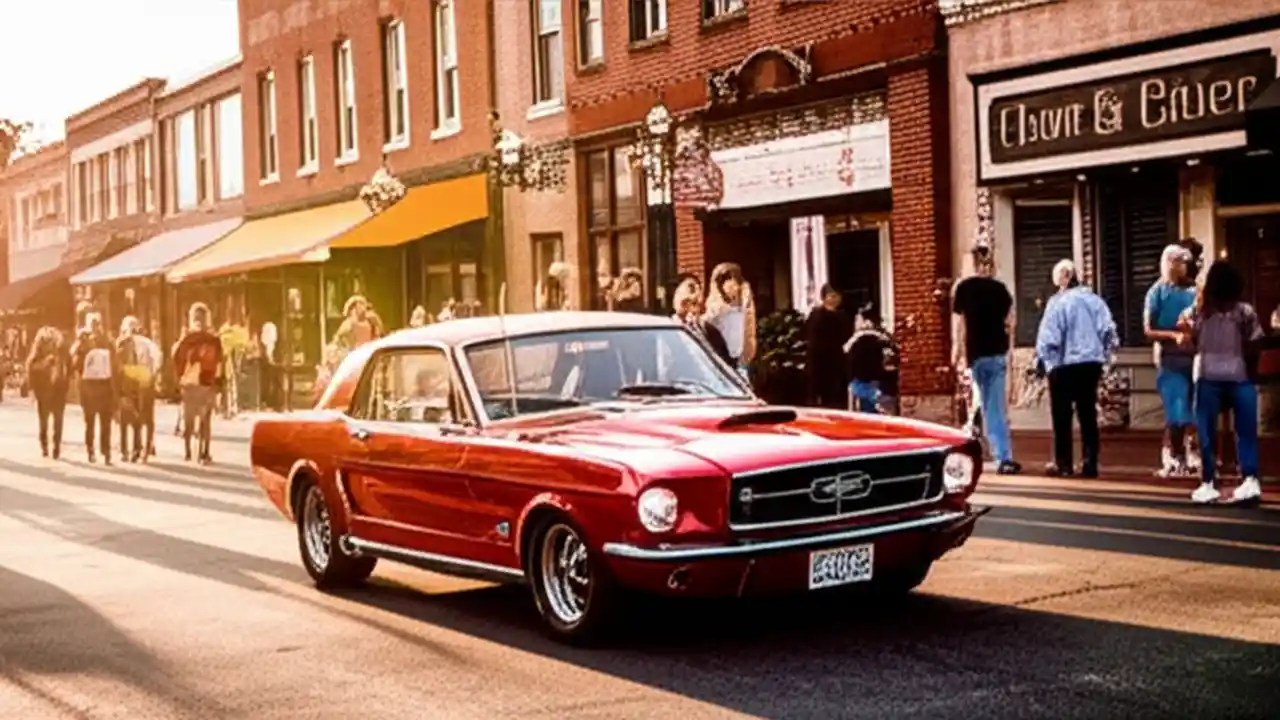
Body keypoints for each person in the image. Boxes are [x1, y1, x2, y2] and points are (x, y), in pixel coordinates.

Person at [1181, 261, 1264, 504]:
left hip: (1208, 377)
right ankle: (1249, 478)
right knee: (1246, 431)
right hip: (1240, 377)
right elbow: (1256, 342)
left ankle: (1208, 481)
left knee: (1207, 432)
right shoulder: (1245, 311)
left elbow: (1187, 335)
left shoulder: (1200, 311)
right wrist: (1250, 370)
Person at [1035, 260, 1118, 478]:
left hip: (1064, 364)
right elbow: (1109, 331)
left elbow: (1048, 338)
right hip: (1091, 363)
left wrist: (1046, 362)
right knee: (1088, 413)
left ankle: (1064, 464)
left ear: (1062, 279)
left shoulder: (1057, 303)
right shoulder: (1095, 301)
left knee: (1062, 416)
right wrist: (1105, 358)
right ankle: (1090, 462)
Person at [952, 244, 1021, 474]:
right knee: (995, 408)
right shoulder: (1001, 289)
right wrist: (1009, 354)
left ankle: (968, 455)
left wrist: (957, 351)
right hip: (997, 354)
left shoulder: (964, 288)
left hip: (975, 354)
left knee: (971, 405)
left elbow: (961, 325)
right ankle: (1004, 456)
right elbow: (1011, 324)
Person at [1145, 243, 1200, 478]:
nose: (1185, 267)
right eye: (1181, 262)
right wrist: (1173, 335)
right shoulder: (1157, 292)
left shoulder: (1194, 291)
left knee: (1194, 408)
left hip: (1195, 358)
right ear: (1171, 265)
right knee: (1176, 409)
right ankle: (1172, 455)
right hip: (1170, 358)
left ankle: (1191, 454)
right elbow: (1148, 329)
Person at [173, 303, 223, 464]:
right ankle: (204, 453)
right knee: (205, 421)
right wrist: (219, 384)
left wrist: (178, 379)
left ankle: (189, 452)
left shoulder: (187, 339)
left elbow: (176, 359)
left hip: (190, 383)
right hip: (206, 383)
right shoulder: (213, 340)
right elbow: (220, 362)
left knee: (190, 419)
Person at [71, 312, 117, 465]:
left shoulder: (108, 342)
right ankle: (90, 450)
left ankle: (106, 452)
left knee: (106, 422)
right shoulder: (82, 342)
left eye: (98, 324)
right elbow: (76, 364)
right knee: (90, 422)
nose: (96, 327)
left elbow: (114, 363)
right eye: (93, 324)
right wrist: (81, 347)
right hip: (89, 387)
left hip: (104, 386)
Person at [116, 316, 161, 462]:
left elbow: (157, 357)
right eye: (130, 328)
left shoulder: (145, 343)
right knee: (124, 419)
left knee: (137, 419)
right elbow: (116, 363)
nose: (132, 331)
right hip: (126, 384)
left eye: (134, 327)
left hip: (141, 383)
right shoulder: (120, 343)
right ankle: (124, 450)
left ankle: (137, 449)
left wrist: (153, 374)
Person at [703, 262, 757, 380]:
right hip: (719, 363)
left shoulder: (743, 308)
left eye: (737, 282)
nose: (735, 287)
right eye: (730, 281)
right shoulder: (715, 311)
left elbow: (750, 337)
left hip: (740, 363)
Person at [804, 283, 853, 409]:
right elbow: (809, 334)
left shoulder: (843, 316)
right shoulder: (816, 315)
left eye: (837, 296)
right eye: (832, 296)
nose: (835, 299)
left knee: (835, 392)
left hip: (836, 359)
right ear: (824, 298)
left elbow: (846, 335)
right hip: (818, 359)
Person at [25, 326, 71, 459]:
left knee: (58, 420)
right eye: (46, 342)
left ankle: (57, 446)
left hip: (58, 391)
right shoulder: (36, 355)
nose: (50, 345)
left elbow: (68, 368)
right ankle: (44, 445)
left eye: (52, 341)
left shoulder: (62, 353)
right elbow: (31, 368)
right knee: (44, 421)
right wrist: (45, 363)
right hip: (43, 392)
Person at [845, 305, 893, 414]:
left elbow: (847, 353)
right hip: (875, 378)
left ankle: (876, 402)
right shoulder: (881, 337)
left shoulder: (857, 339)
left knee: (865, 404)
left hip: (860, 378)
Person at [672, 276, 730, 364]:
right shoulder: (671, 329)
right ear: (683, 303)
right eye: (694, 303)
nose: (698, 309)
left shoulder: (703, 327)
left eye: (698, 303)